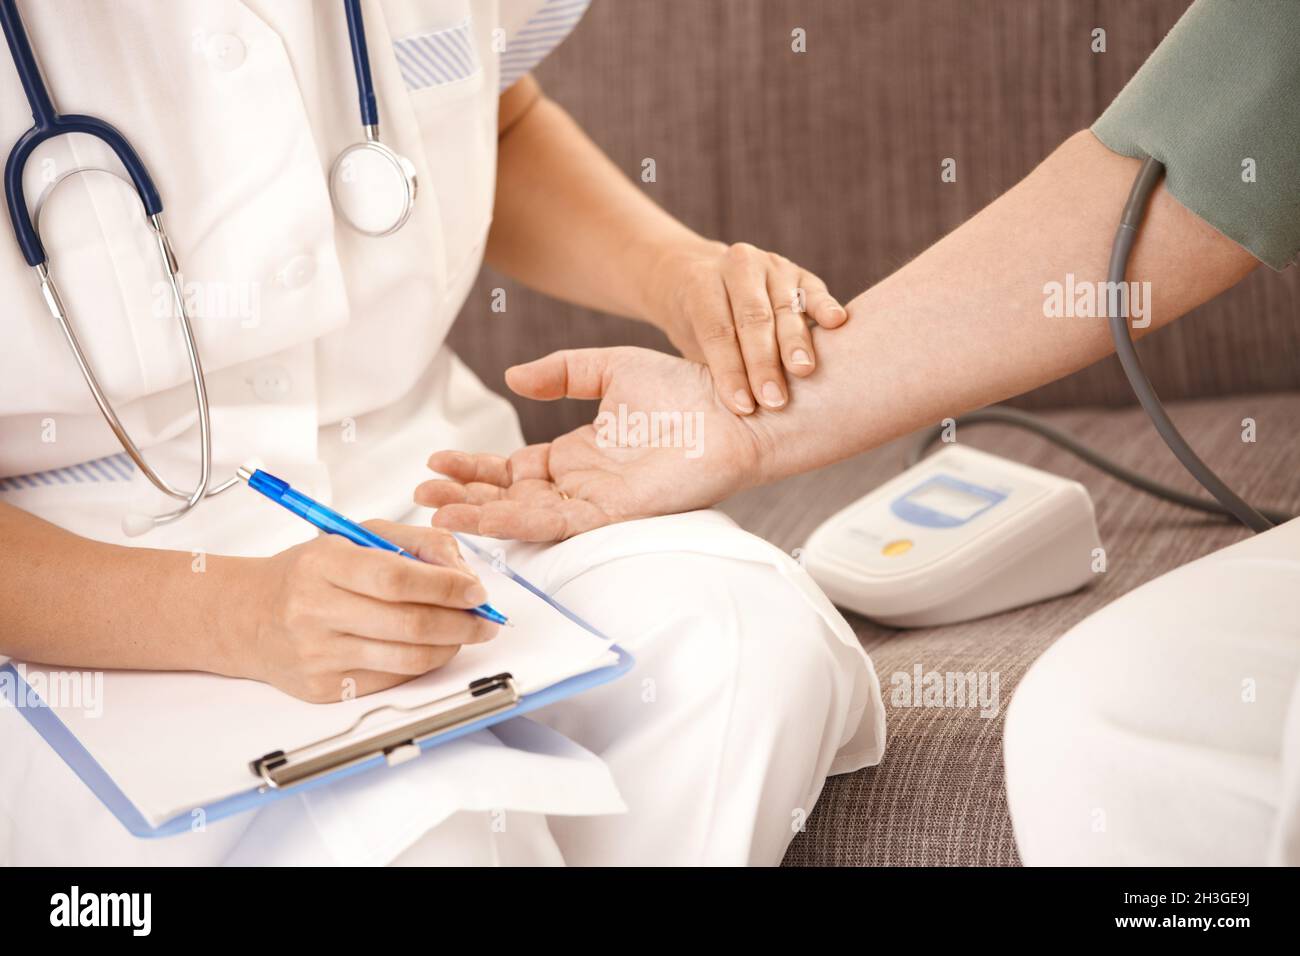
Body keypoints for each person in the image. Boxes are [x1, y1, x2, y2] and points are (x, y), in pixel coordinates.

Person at [0, 0, 884, 866]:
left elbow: (488, 123)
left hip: (445, 486)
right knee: (437, 834)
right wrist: (232, 617)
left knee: (743, 643)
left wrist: (674, 272)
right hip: (94, 595)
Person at [422, 0, 1300, 864]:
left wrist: (713, 340)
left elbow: (1230, 122)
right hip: (378, 503)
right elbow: (1201, 141)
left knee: (751, 641)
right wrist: (749, 418)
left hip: (442, 485)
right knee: (1107, 731)